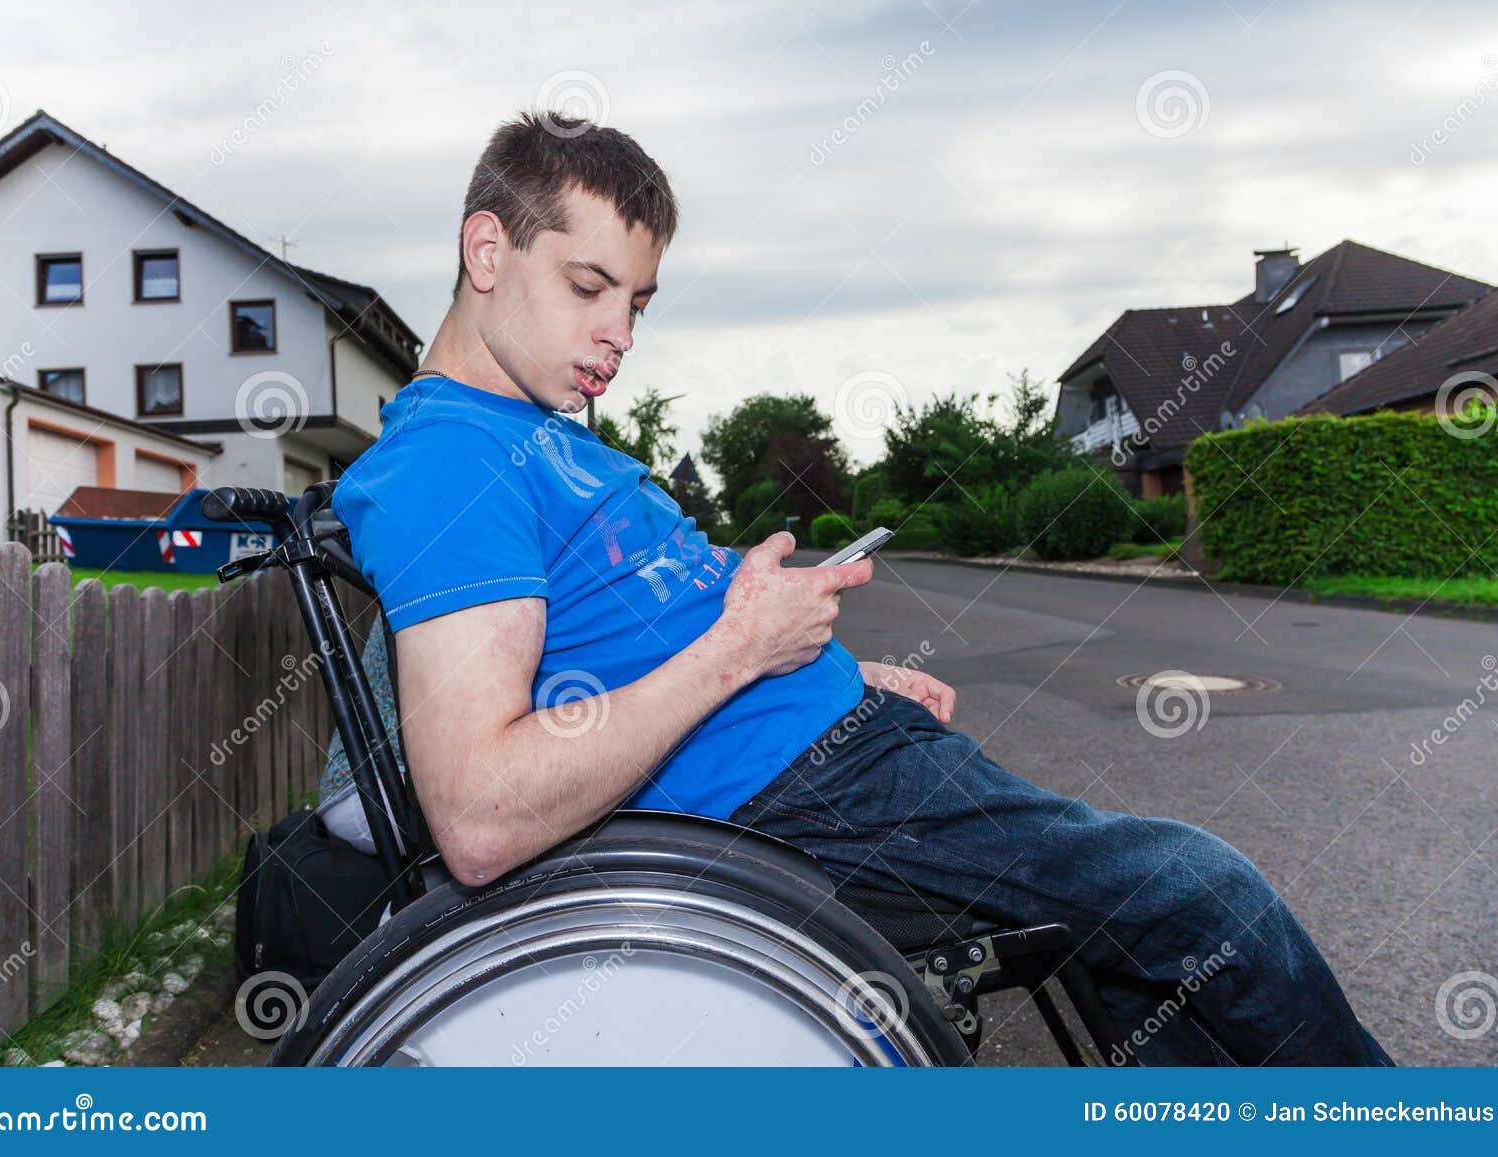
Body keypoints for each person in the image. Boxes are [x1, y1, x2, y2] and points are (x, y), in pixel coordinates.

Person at [328, 110, 1392, 1067]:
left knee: (1142, 944)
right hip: (798, 811)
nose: (622, 333)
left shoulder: (537, 435)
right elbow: (478, 812)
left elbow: (636, 633)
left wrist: (827, 662)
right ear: (486, 249)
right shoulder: (446, 465)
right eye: (588, 287)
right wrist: (742, 650)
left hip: (832, 759)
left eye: (639, 302)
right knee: (1204, 898)